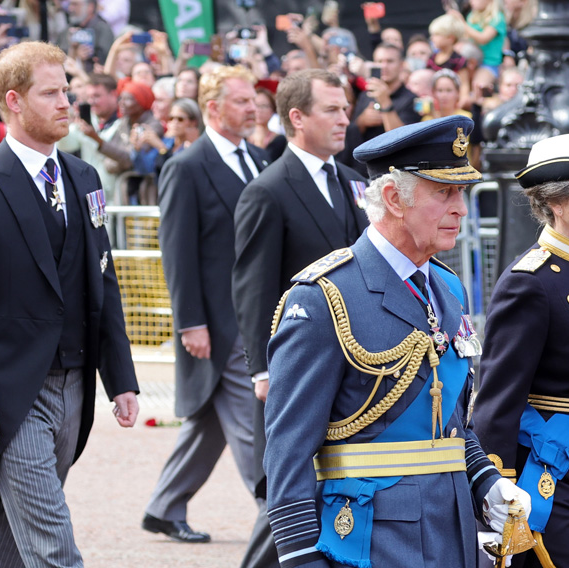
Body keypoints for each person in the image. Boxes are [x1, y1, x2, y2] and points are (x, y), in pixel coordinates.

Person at [262, 115, 529, 568]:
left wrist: (485, 480)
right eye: (443, 192)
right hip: (369, 541)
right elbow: (287, 451)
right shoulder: (325, 296)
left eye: (461, 192)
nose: (461, 209)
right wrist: (301, 557)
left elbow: (446, 422)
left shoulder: (446, 288)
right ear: (392, 198)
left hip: (453, 533)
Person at [0, 41, 140, 567]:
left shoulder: (85, 177)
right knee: (53, 547)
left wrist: (121, 377)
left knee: (6, 544)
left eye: (66, 90)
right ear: (14, 100)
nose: (65, 102)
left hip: (76, 387)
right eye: (51, 93)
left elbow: (103, 280)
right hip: (11, 395)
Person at [232, 68, 372, 568]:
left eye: (346, 108)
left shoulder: (356, 183)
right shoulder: (268, 190)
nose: (344, 118)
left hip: (358, 368)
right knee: (288, 495)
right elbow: (254, 289)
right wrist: (262, 369)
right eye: (331, 109)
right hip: (300, 366)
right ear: (296, 117)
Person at [474, 133, 569, 567]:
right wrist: (495, 494)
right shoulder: (530, 282)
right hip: (543, 477)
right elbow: (496, 402)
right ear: (556, 202)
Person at [145, 65, 268, 545]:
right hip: (219, 322)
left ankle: (164, 506)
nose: (252, 108)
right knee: (251, 422)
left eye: (253, 99)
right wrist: (190, 321)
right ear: (213, 108)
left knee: (208, 423)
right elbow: (177, 252)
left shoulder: (258, 159)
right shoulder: (187, 166)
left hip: (253, 317)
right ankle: (280, 514)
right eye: (241, 101)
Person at [343, 43, 421, 176]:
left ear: (401, 65)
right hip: (363, 172)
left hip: (395, 174)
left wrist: (385, 102)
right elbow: (350, 135)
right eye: (379, 61)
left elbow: (403, 141)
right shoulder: (365, 95)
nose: (384, 66)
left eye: (390, 61)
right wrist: (361, 122)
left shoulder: (412, 100)